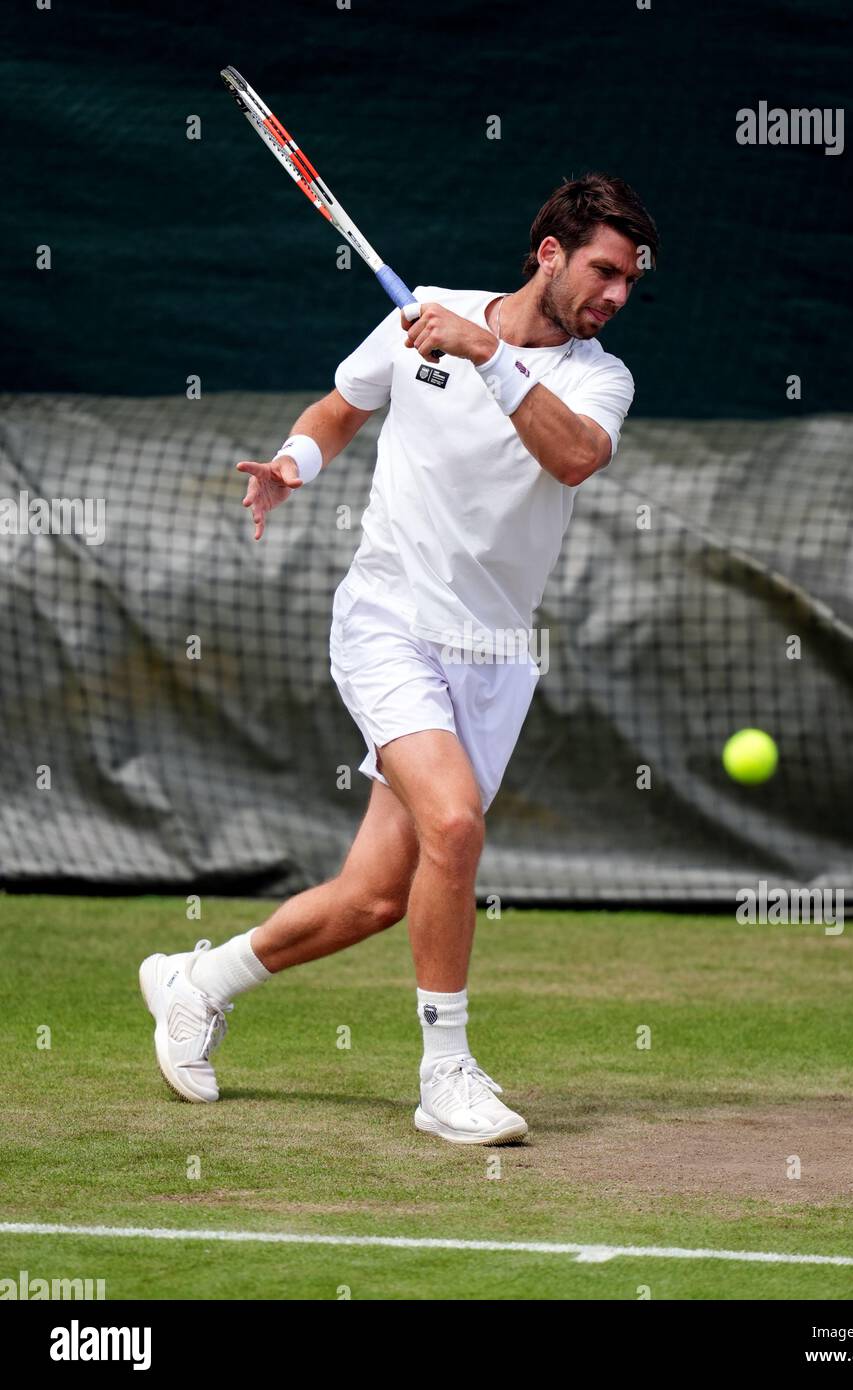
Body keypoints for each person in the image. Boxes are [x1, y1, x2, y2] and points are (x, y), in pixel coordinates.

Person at [140, 173, 658, 1145]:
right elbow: (340, 407)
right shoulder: (426, 320)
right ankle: (444, 1073)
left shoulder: (599, 377)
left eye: (630, 280)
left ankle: (195, 980)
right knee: (454, 823)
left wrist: (490, 354)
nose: (617, 295)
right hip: (389, 618)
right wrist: (292, 467)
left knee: (377, 894)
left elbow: (576, 456)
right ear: (549, 252)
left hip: (496, 654)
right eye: (604, 270)